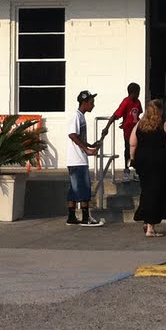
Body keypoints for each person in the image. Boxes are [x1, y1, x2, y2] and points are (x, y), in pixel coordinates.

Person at [130, 100, 166, 237]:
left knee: (147, 190)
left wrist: (132, 159)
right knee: (157, 193)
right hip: (161, 163)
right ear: (160, 111)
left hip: (143, 162)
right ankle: (150, 227)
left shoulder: (139, 125)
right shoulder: (164, 125)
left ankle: (145, 219)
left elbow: (132, 143)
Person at [64, 89, 104, 227]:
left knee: (74, 189)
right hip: (77, 160)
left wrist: (90, 145)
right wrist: (86, 149)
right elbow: (72, 135)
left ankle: (71, 217)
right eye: (91, 103)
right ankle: (86, 217)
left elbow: (79, 138)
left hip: (77, 159)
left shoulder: (81, 117)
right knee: (84, 187)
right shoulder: (76, 116)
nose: (93, 105)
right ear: (84, 102)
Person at [100, 82, 142, 180]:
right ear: (133, 92)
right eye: (138, 92)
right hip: (128, 131)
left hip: (137, 130)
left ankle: (137, 171)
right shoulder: (126, 102)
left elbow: (137, 114)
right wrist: (107, 127)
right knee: (128, 150)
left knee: (138, 150)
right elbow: (116, 114)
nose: (139, 94)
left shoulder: (137, 102)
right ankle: (126, 171)